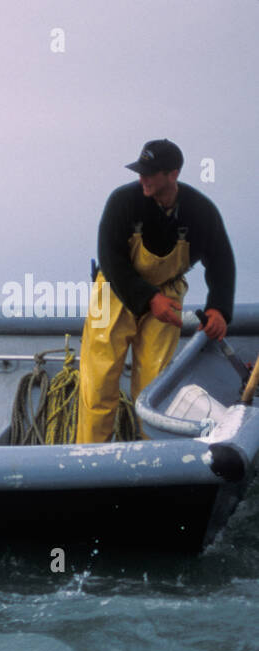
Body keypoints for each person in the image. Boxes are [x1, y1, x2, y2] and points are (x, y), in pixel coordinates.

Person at [77, 139, 236, 443]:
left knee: (154, 387)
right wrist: (149, 298)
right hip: (114, 291)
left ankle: (152, 461)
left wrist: (219, 308)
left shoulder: (200, 211)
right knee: (98, 384)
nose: (142, 179)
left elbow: (221, 260)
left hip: (167, 296)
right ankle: (88, 459)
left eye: (150, 173)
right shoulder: (123, 202)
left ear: (173, 174)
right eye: (140, 172)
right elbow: (110, 258)